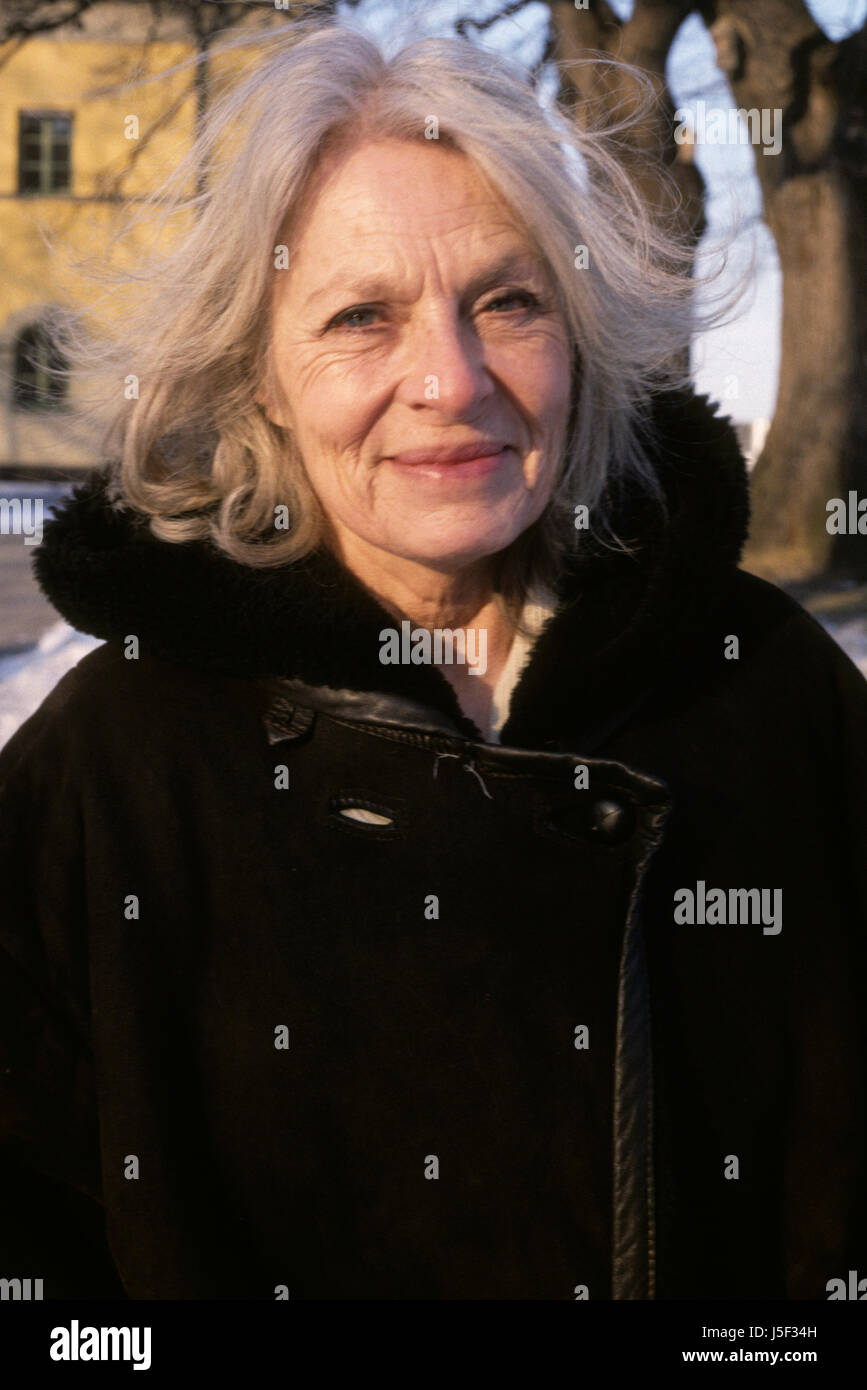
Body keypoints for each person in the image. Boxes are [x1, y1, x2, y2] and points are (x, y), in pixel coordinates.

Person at [1, 18, 865, 1302]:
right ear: (259, 377)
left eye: (507, 302)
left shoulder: (764, 690)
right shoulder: (112, 760)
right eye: (362, 317)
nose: (451, 381)